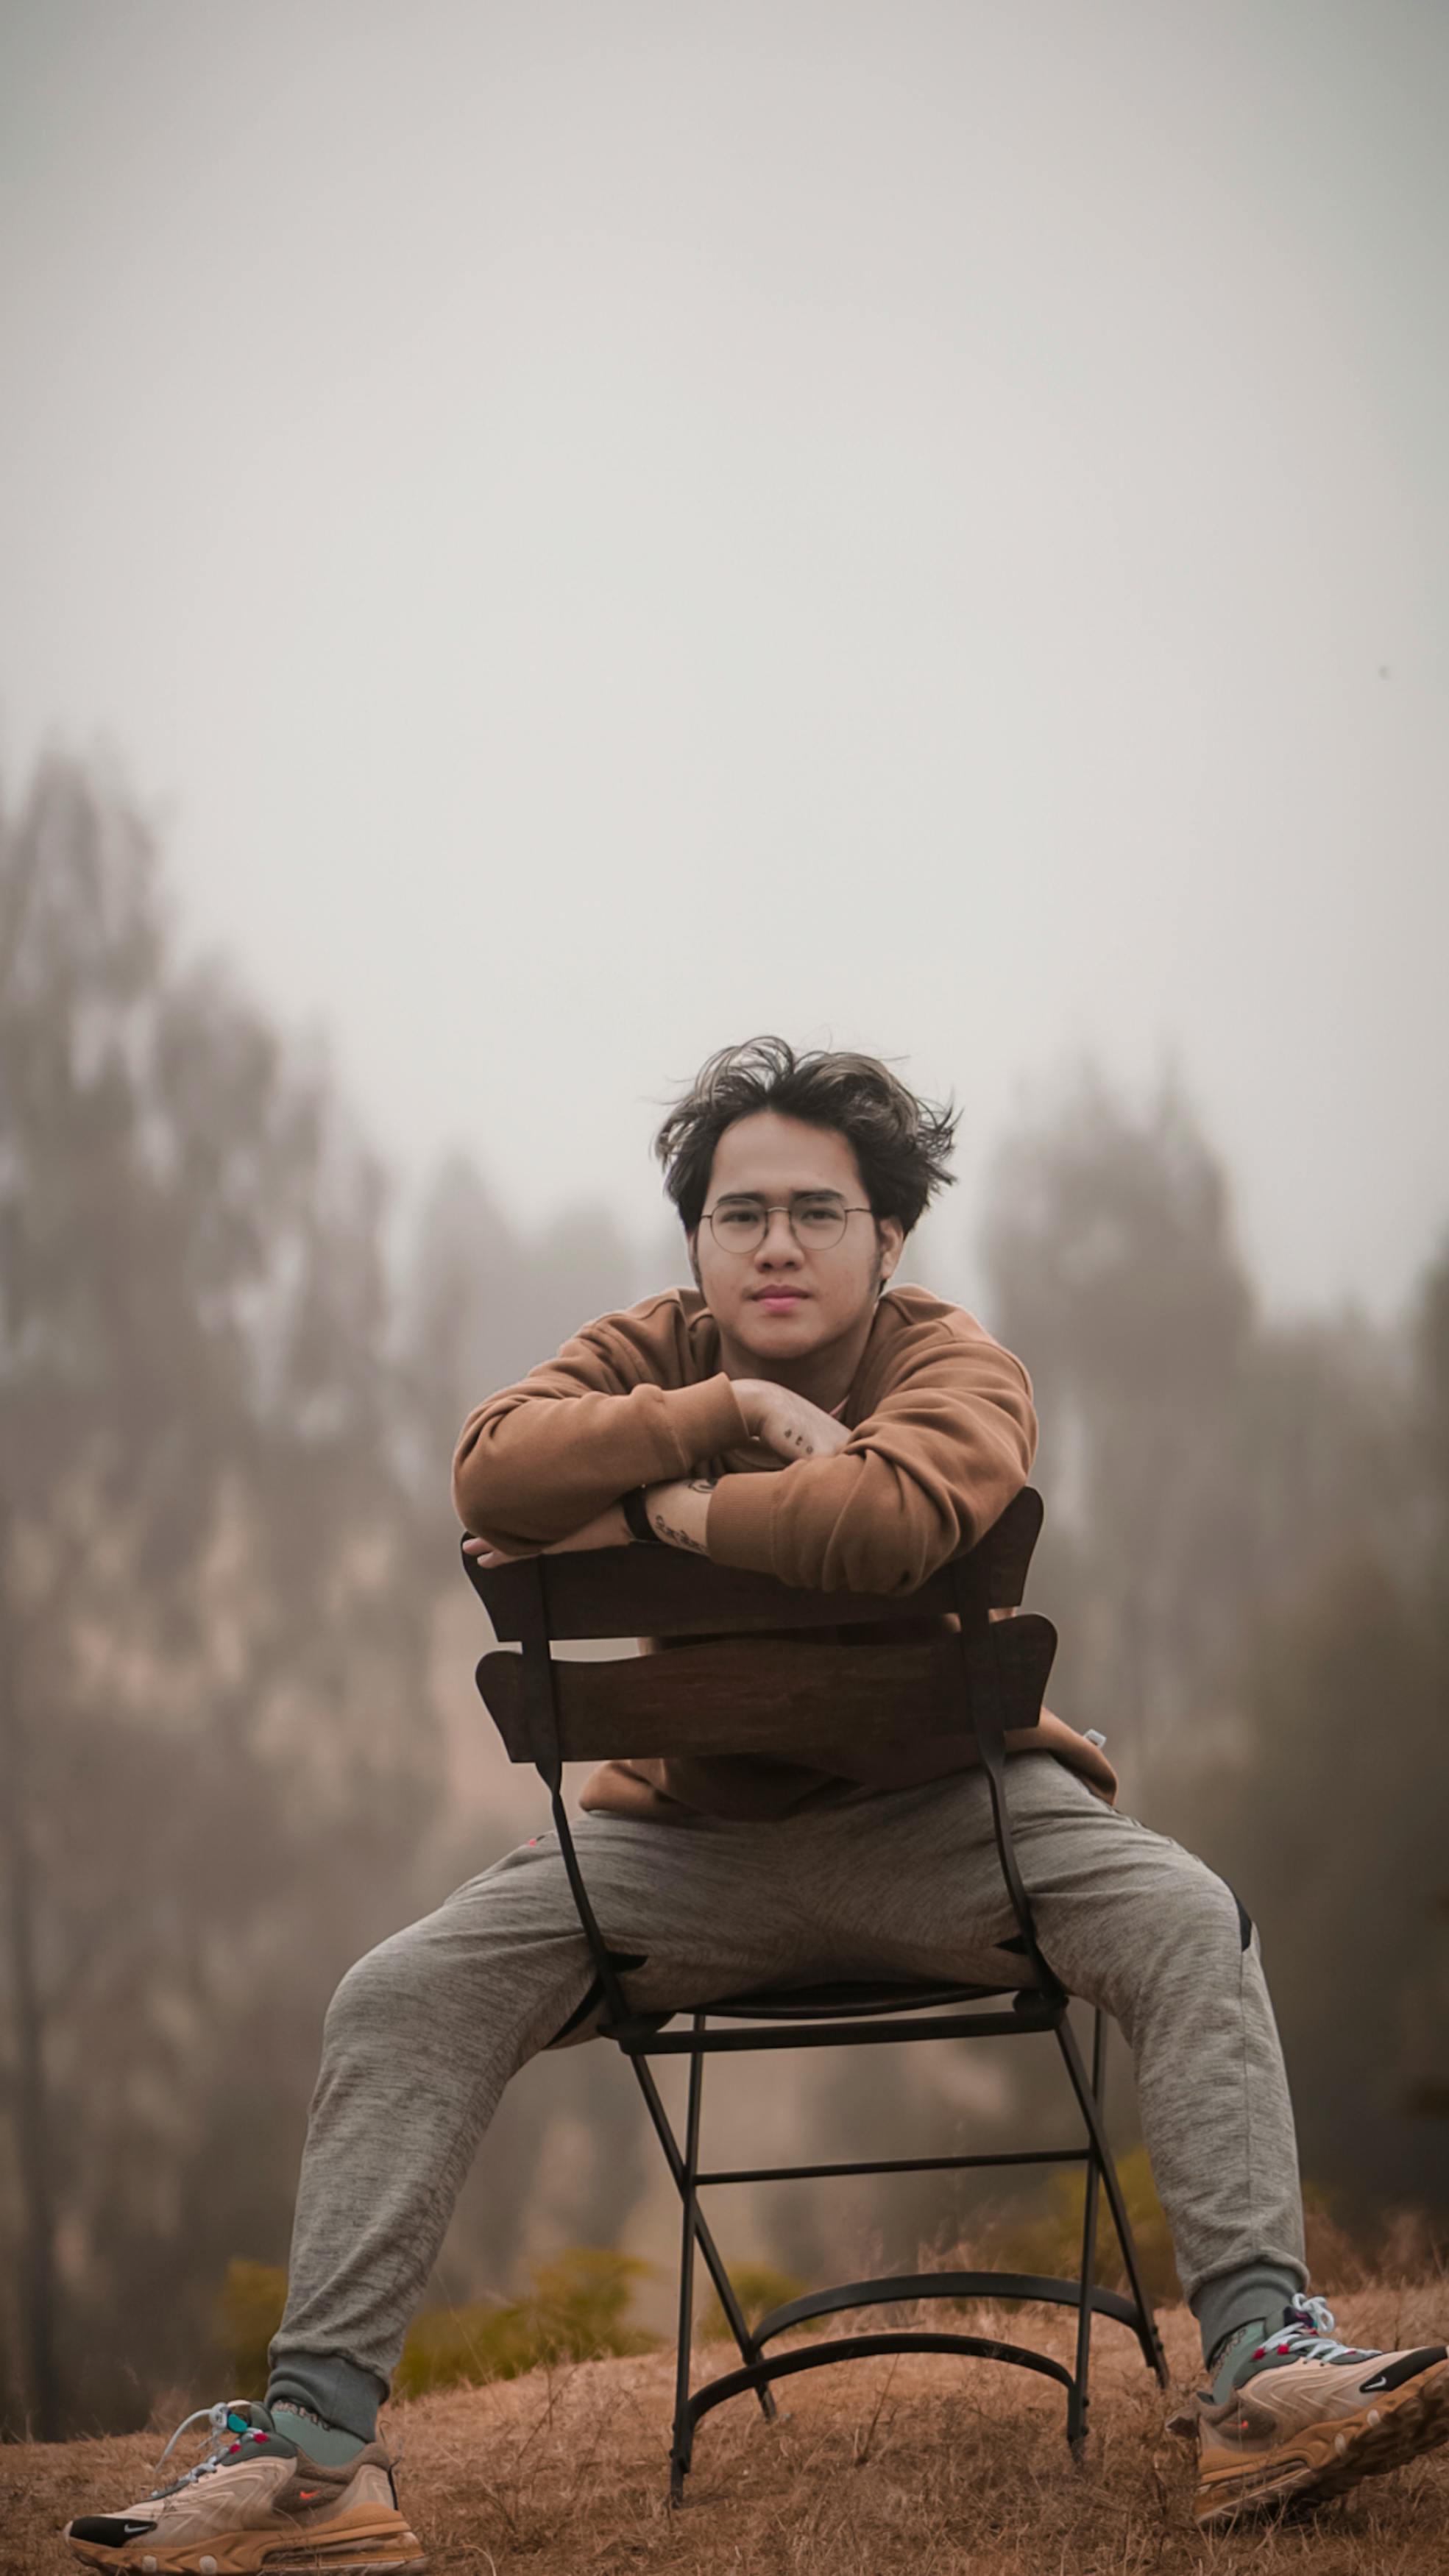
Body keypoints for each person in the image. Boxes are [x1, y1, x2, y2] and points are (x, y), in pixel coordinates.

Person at [66, 1038, 1448, 2569]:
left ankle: (1265, 2371)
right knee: (399, 1995)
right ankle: (312, 2463)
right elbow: (490, 1471)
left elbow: (886, 1519)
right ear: (697, 1240)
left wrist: (658, 1515)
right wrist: (713, 1414)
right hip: (671, 1854)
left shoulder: (955, 1365)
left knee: (1192, 1922)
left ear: (886, 1236)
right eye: (740, 1214)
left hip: (956, 1828)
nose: (776, 1243)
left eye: (815, 1210)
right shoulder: (649, 1349)